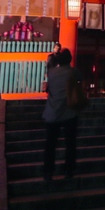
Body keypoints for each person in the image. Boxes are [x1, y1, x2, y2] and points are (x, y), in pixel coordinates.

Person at [42, 47, 81, 181]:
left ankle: (48, 172)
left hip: (52, 112)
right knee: (70, 143)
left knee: (50, 144)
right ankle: (68, 170)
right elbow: (81, 79)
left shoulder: (51, 72)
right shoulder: (73, 71)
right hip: (69, 112)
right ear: (70, 59)